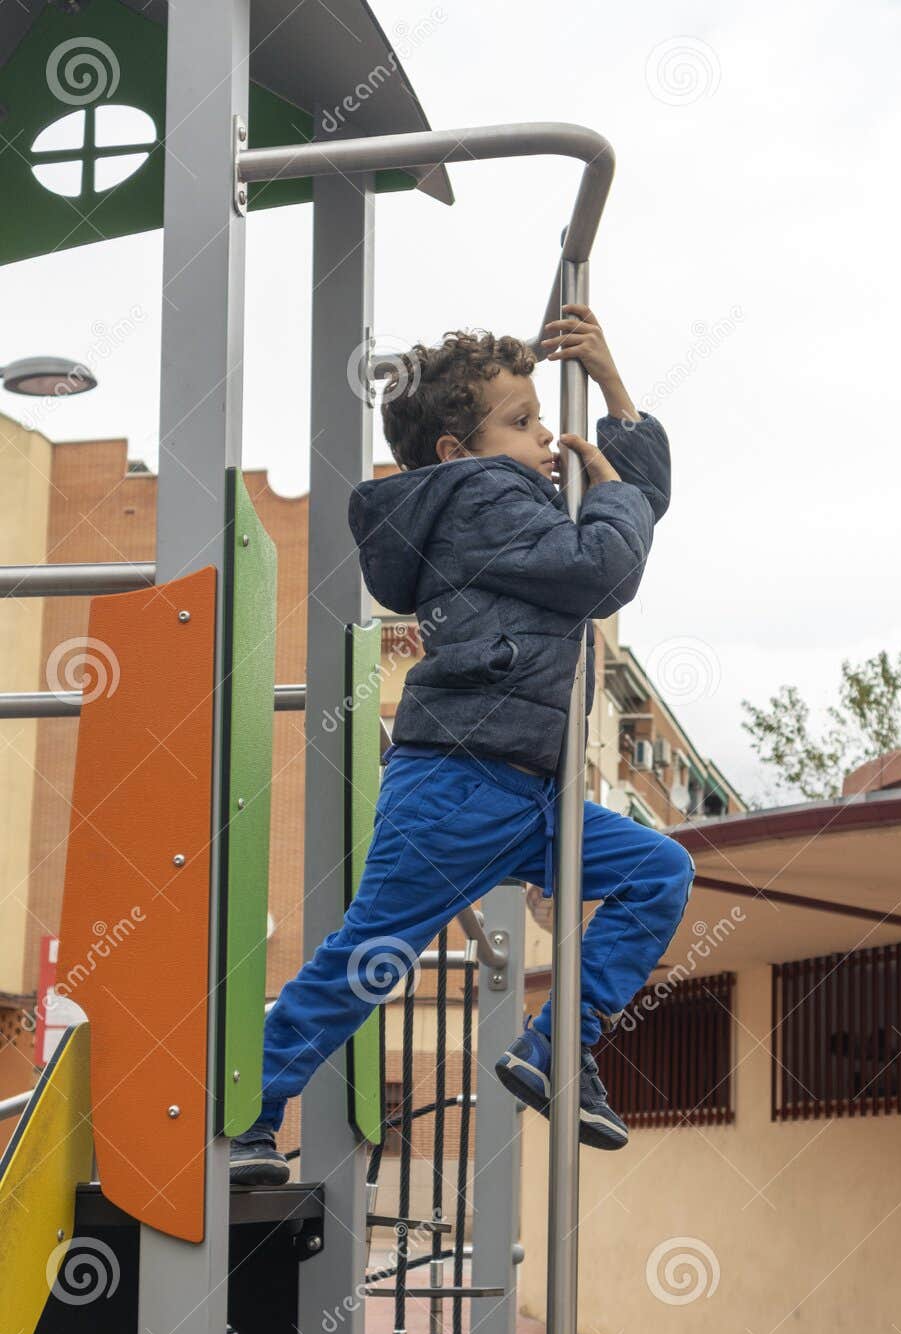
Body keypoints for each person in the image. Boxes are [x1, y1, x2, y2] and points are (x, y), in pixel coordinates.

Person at [230, 305, 695, 1186]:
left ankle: (556, 1050)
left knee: (657, 871)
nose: (545, 436)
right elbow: (602, 568)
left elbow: (634, 507)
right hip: (458, 782)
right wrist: (613, 494)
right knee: (369, 957)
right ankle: (242, 1112)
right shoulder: (479, 500)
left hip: (525, 789)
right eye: (521, 422)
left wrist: (611, 385)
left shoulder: (510, 499)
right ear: (457, 449)